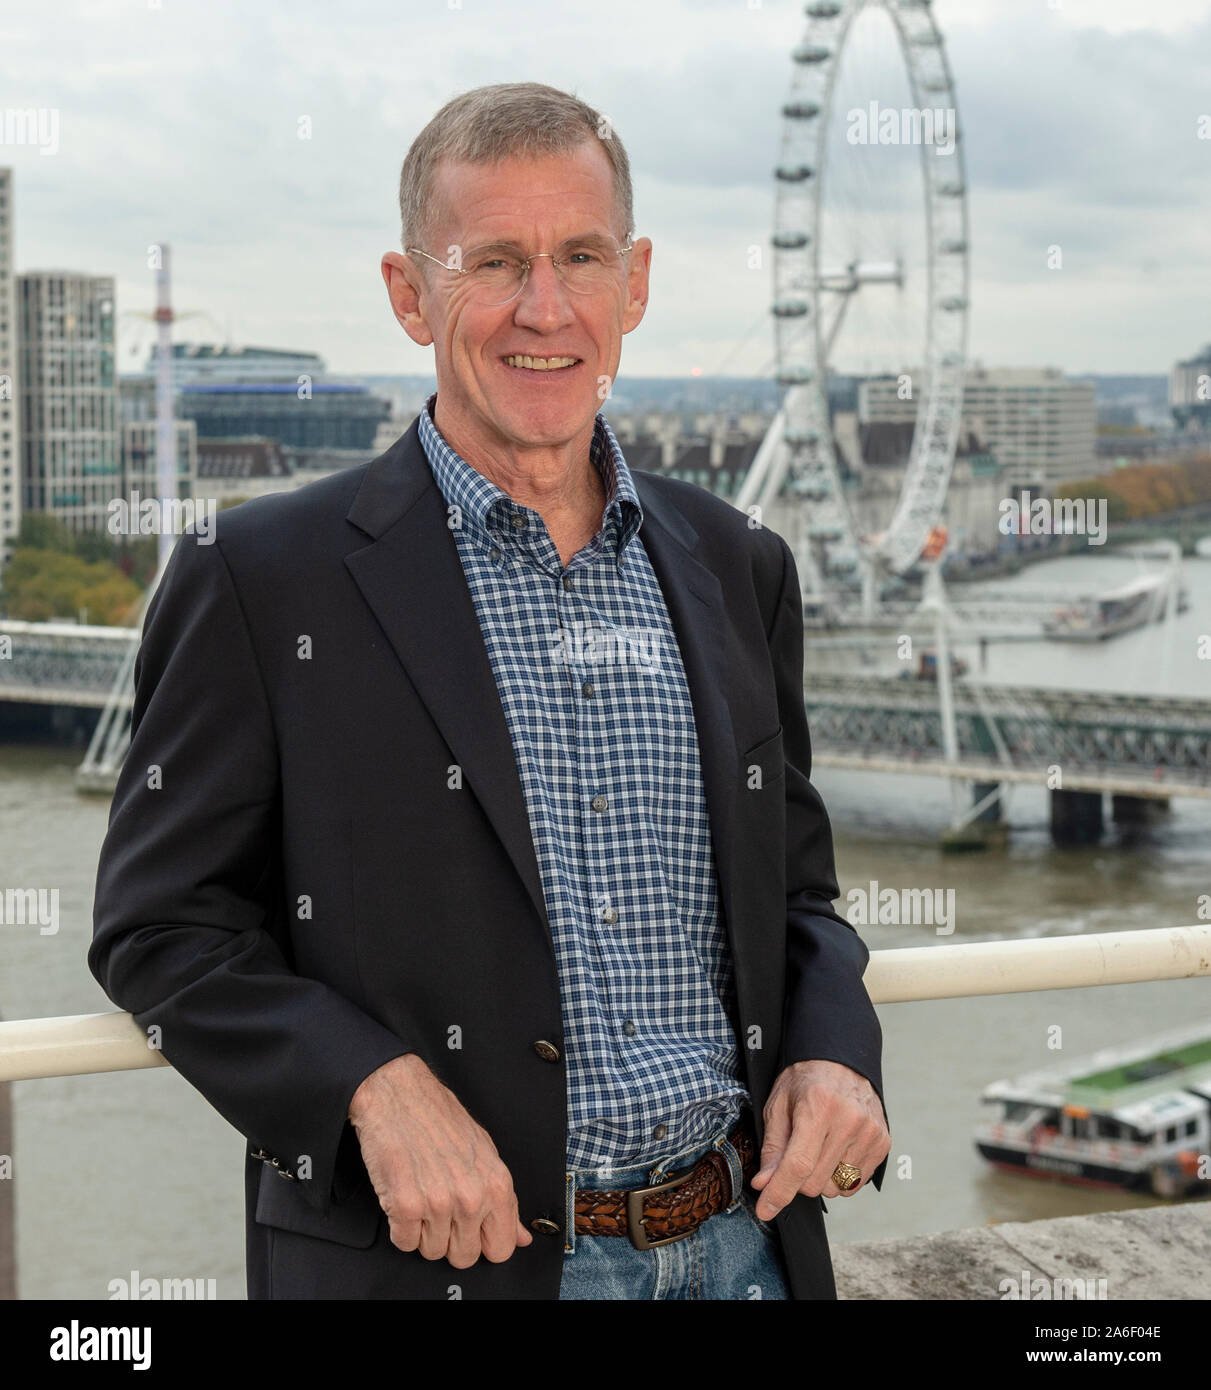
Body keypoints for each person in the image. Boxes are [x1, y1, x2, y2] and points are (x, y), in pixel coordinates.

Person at [90, 80, 889, 1301]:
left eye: (581, 255)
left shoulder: (739, 565)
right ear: (410, 294)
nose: (545, 308)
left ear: (636, 282)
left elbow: (799, 894)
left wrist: (836, 1049)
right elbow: (160, 928)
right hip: (455, 1268)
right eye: (494, 261)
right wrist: (369, 1081)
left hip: (744, 1252)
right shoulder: (262, 580)